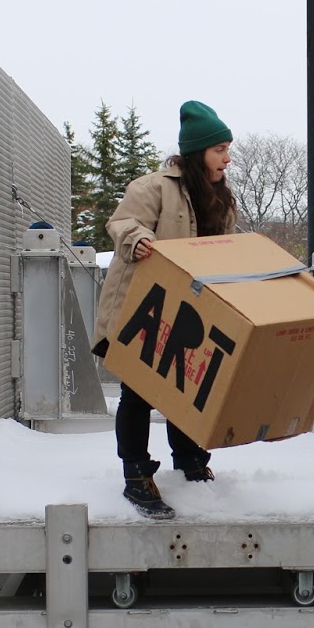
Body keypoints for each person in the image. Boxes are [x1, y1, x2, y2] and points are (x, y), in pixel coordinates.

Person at [91, 100, 238, 520]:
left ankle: (191, 462)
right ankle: (136, 473)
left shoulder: (222, 200)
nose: (227, 158)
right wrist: (137, 240)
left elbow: (226, 249)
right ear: (198, 152)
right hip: (139, 311)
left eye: (228, 149)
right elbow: (122, 223)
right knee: (139, 392)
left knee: (186, 390)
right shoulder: (153, 187)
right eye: (220, 150)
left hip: (188, 313)